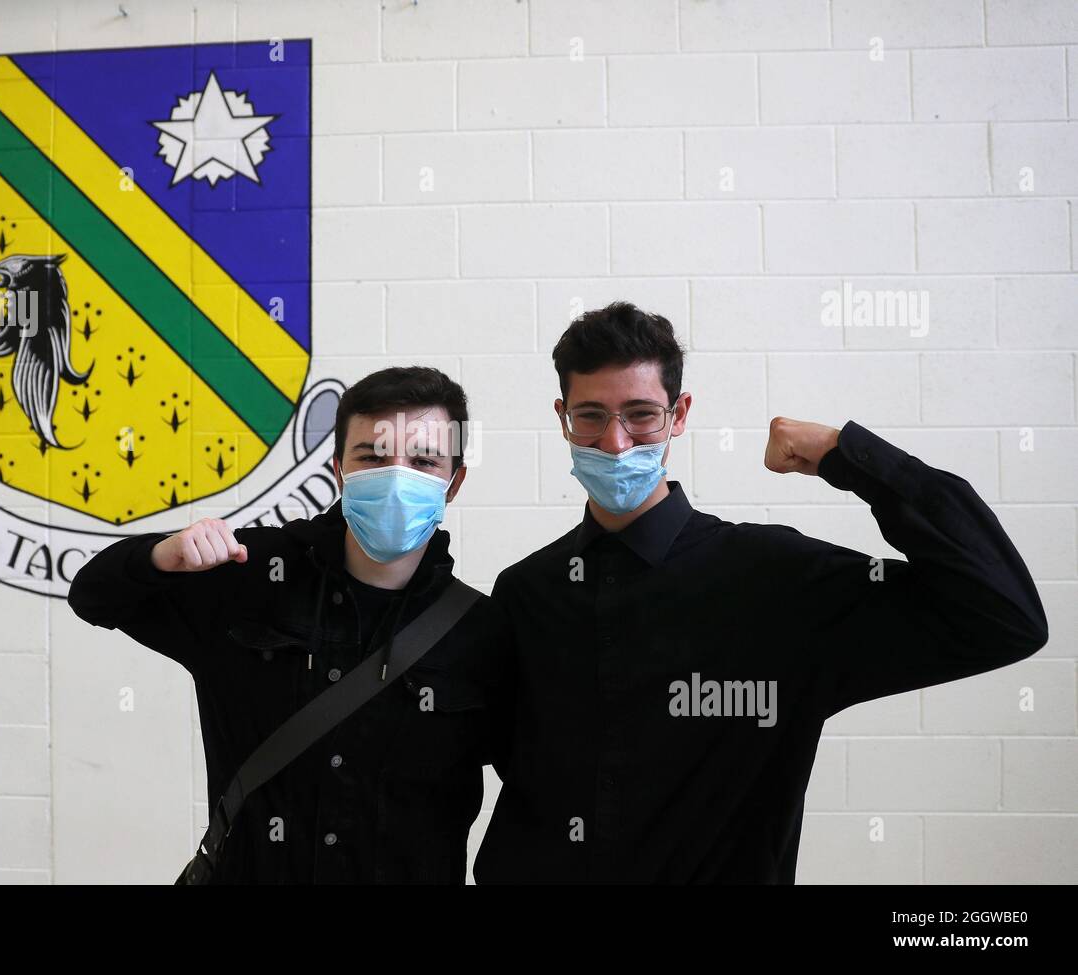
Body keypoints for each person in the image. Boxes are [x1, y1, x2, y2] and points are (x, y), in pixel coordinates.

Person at [473, 301, 1049, 883]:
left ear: (679, 414)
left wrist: (844, 454)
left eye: (641, 415)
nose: (616, 443)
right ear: (563, 417)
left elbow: (1001, 615)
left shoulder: (777, 579)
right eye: (591, 415)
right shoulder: (526, 592)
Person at [68, 366, 504, 883]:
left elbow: (541, 782)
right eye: (372, 457)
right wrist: (160, 555)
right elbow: (94, 597)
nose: (395, 478)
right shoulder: (249, 575)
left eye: (423, 461)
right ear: (339, 470)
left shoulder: (483, 631)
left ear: (454, 483)